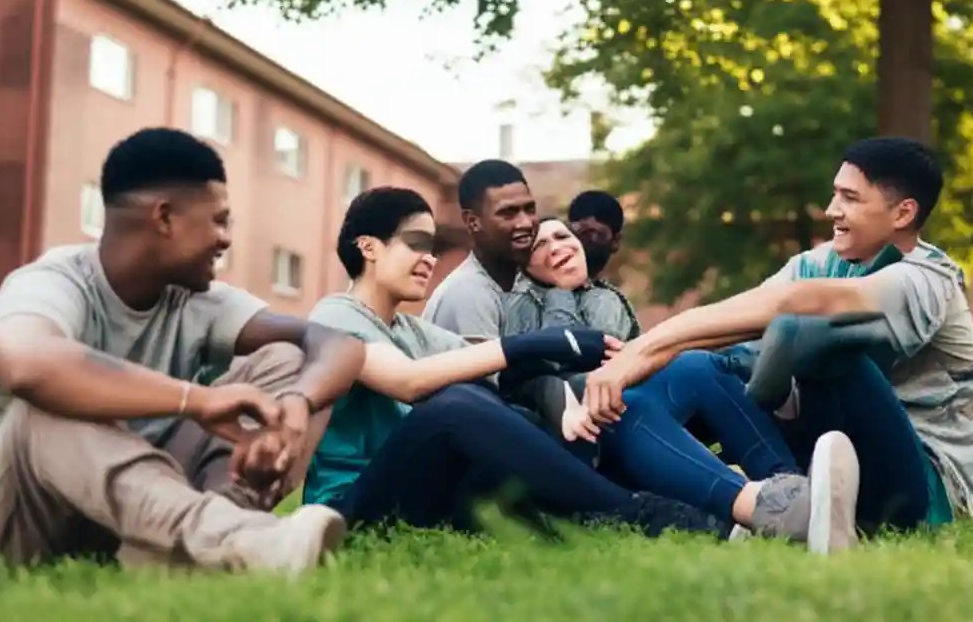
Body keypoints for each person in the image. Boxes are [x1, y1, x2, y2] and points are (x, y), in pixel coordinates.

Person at [0, 128, 370, 576]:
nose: (226, 239)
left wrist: (298, 401)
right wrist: (196, 399)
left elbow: (338, 344)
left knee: (292, 359)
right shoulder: (53, 282)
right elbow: (27, 364)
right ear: (165, 218)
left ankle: (210, 536)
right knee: (45, 405)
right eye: (218, 221)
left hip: (136, 507)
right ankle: (235, 542)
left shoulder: (194, 299)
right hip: (19, 520)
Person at [584, 136, 973, 546]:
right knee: (688, 371)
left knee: (820, 344)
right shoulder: (821, 262)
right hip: (820, 459)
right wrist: (628, 366)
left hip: (917, 487)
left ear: (903, 213)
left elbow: (797, 309)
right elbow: (735, 322)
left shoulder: (926, 279)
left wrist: (646, 348)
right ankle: (782, 501)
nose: (831, 210)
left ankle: (759, 498)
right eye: (835, 194)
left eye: (849, 198)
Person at [292, 186, 727, 538]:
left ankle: (682, 503)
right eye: (416, 244)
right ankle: (631, 512)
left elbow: (495, 375)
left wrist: (562, 394)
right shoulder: (335, 316)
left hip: (428, 494)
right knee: (455, 407)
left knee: (508, 406)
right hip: (351, 508)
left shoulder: (414, 331)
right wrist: (531, 343)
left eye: (433, 247)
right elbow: (407, 381)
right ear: (368, 247)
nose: (430, 258)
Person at [501, 218, 844, 550]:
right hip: (578, 431)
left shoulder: (600, 294)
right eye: (540, 245)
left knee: (697, 365)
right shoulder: (522, 302)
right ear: (526, 267)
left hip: (625, 405)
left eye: (562, 236)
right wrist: (561, 295)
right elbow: (530, 373)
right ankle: (765, 508)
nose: (555, 247)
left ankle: (790, 488)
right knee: (624, 405)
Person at [423, 159, 536, 342]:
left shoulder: (523, 283)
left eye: (530, 209)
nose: (526, 223)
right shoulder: (468, 295)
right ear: (473, 222)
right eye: (508, 213)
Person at [567, 189, 641, 339]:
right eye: (582, 234)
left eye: (596, 235)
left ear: (615, 241)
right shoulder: (534, 290)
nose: (587, 242)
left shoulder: (607, 301)